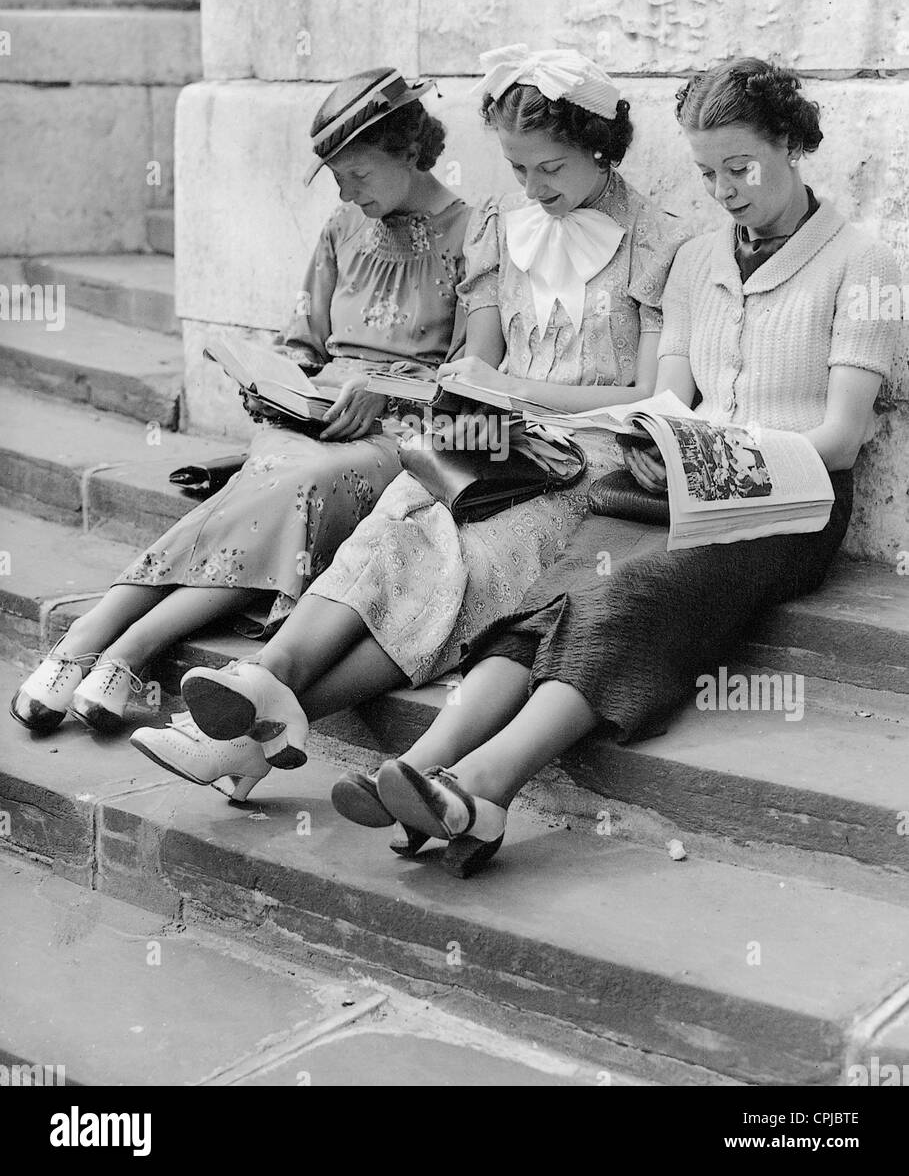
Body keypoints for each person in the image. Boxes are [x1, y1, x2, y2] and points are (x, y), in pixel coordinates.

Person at [343, 56, 901, 876]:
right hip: (677, 478)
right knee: (552, 596)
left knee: (632, 595)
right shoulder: (698, 258)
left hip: (792, 500)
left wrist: (724, 453)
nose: (725, 191)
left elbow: (841, 439)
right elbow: (669, 397)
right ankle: (422, 765)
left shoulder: (863, 263)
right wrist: (655, 436)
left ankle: (484, 787)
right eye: (707, 172)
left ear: (790, 142)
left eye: (740, 167)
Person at [168, 44, 687, 807]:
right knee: (400, 515)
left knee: (464, 562)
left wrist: (504, 387)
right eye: (518, 170)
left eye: (551, 169)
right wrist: (476, 395)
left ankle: (250, 736)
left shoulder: (659, 242)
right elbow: (472, 366)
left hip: (591, 456)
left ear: (600, 149)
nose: (533, 188)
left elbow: (650, 395)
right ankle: (268, 675)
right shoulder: (500, 233)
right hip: (495, 435)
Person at [11, 68, 471, 789]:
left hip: (402, 437)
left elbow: (476, 377)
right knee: (279, 471)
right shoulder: (343, 228)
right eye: (337, 179)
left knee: (299, 482)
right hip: (312, 422)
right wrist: (275, 380)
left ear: (410, 149)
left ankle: (112, 647)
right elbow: (304, 336)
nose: (347, 193)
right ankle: (99, 649)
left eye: (357, 173)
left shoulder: (474, 235)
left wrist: (383, 391)